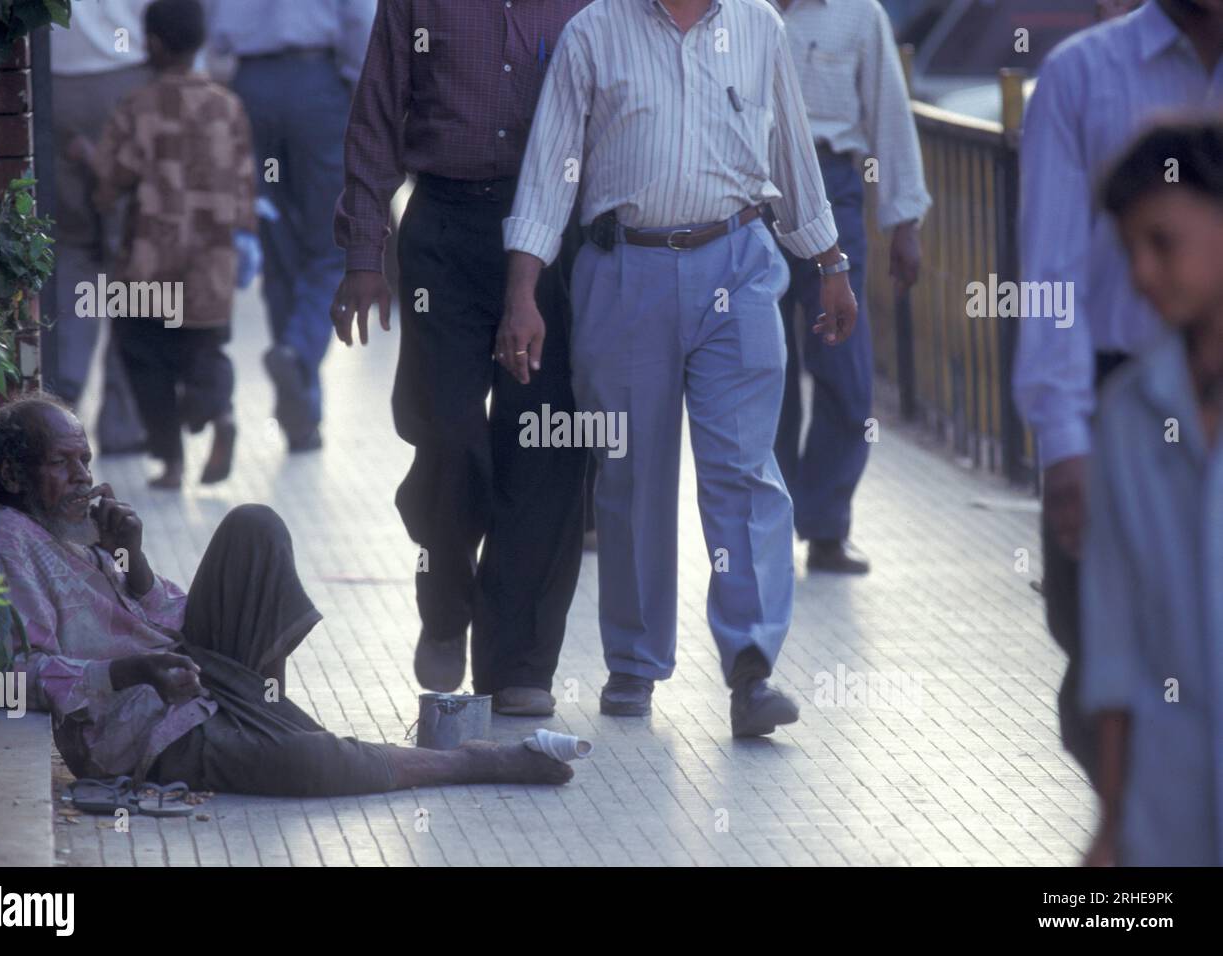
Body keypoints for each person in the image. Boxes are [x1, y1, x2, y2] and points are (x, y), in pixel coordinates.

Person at [497, 0, 857, 732]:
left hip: (741, 261)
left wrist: (830, 261)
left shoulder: (759, 27)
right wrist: (523, 292)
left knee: (744, 468)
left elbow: (793, 154)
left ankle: (752, 669)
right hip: (624, 270)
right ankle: (633, 662)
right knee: (631, 474)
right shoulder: (593, 33)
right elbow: (549, 172)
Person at [0, 395, 574, 796]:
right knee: (315, 763)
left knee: (255, 525)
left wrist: (132, 561)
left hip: (189, 678)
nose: (84, 477)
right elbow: (23, 675)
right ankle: (474, 762)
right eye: (63, 463)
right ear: (11, 475)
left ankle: (262, 716)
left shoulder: (74, 525)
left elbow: (167, 617)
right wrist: (129, 671)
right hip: (142, 731)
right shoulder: (9, 540)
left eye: (85, 460)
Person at [330, 0, 591, 717]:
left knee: (544, 447)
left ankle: (519, 663)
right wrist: (362, 254)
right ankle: (445, 599)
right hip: (444, 228)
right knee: (446, 433)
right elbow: (377, 115)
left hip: (555, 230)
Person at [1011, 0, 1223, 782]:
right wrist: (1064, 444)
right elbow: (1050, 274)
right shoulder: (1082, 76)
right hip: (1115, 406)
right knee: (1108, 660)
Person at [1080, 120, 1223, 866]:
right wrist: (1110, 826)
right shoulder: (1131, 418)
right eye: (1130, 251)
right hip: (1169, 819)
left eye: (1162, 242)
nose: (1140, 272)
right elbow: (1116, 642)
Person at [72, 0, 258, 489]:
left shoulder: (138, 106)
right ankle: (219, 413)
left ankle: (171, 461)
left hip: (149, 261)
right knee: (205, 347)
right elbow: (244, 186)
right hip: (212, 259)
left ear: (152, 44)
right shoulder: (228, 106)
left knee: (141, 352)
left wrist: (89, 159)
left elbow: (112, 181)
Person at [773, 0, 930, 574]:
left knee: (844, 363)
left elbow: (890, 114)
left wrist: (903, 223)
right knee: (763, 367)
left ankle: (826, 525)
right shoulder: (730, 10)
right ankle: (769, 522)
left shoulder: (859, 15)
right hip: (749, 193)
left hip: (832, 185)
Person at [205, 0, 378, 453]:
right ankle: (298, 353)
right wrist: (362, 87)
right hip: (316, 84)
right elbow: (360, 18)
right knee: (331, 246)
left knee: (275, 244)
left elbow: (208, 21)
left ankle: (302, 421)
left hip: (250, 88)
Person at [48, 0, 150, 455]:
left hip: (55, 82)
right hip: (127, 78)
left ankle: (62, 392)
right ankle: (122, 420)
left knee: (74, 249)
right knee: (130, 256)